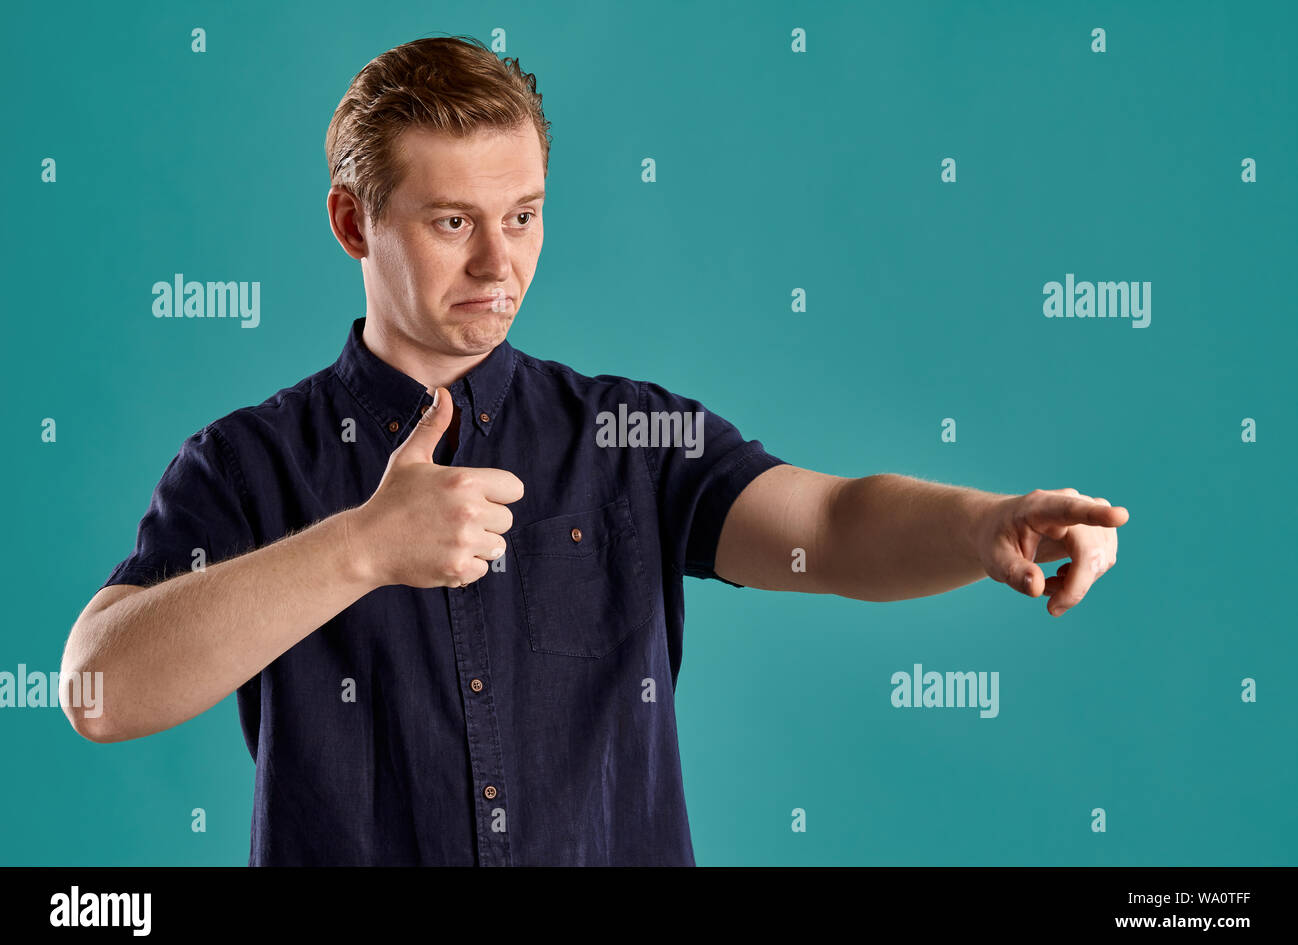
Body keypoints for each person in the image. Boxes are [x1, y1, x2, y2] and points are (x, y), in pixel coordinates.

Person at [60, 35, 1128, 865]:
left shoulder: (627, 433)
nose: (498, 261)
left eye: (522, 214)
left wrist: (980, 522)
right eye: (450, 222)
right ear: (352, 222)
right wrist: (359, 549)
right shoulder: (247, 463)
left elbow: (829, 523)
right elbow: (99, 688)